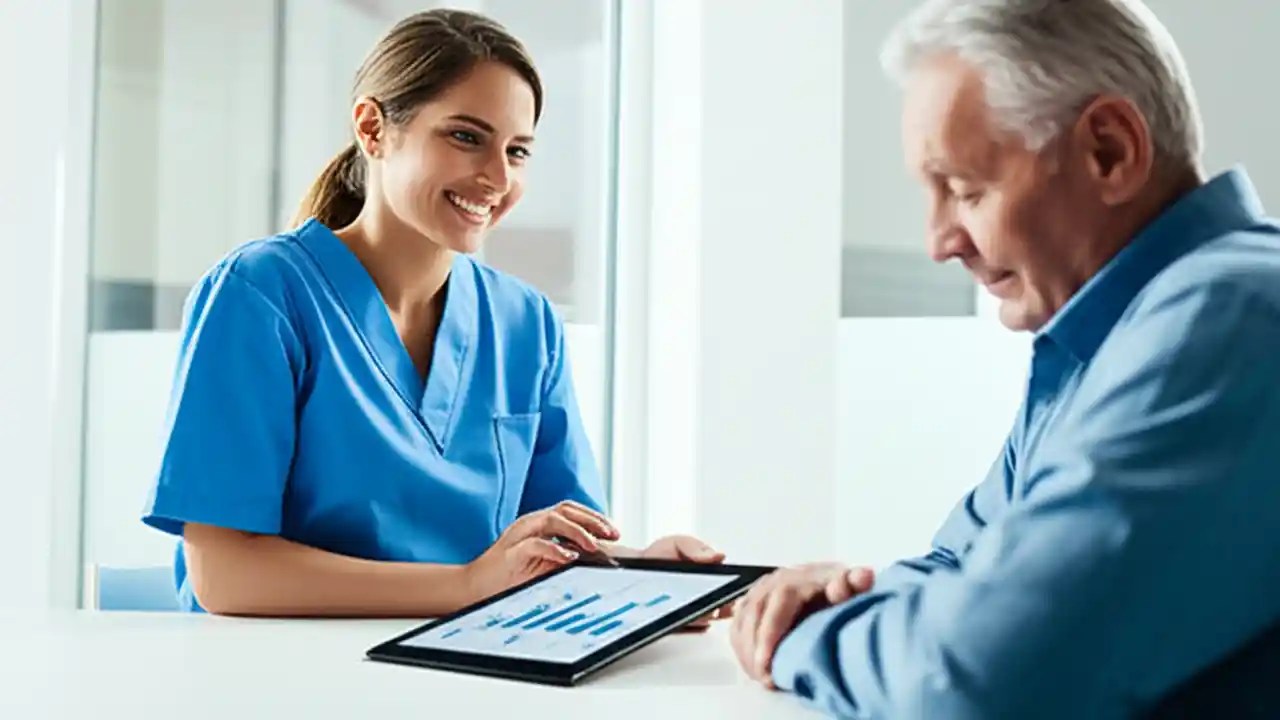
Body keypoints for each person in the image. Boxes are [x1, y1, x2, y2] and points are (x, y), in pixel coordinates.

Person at [729, 0, 1280, 716]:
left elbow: (972, 682)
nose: (938, 242)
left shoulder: (1225, 320)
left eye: (966, 190)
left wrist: (805, 632)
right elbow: (962, 571)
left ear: (1109, 150)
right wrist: (859, 597)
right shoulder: (1103, 334)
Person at [141, 9, 724, 616]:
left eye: (518, 151)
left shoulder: (527, 323)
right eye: (466, 137)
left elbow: (552, 551)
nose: (498, 177)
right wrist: (467, 586)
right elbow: (226, 575)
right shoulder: (261, 294)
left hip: (473, 672)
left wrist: (650, 580)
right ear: (372, 129)